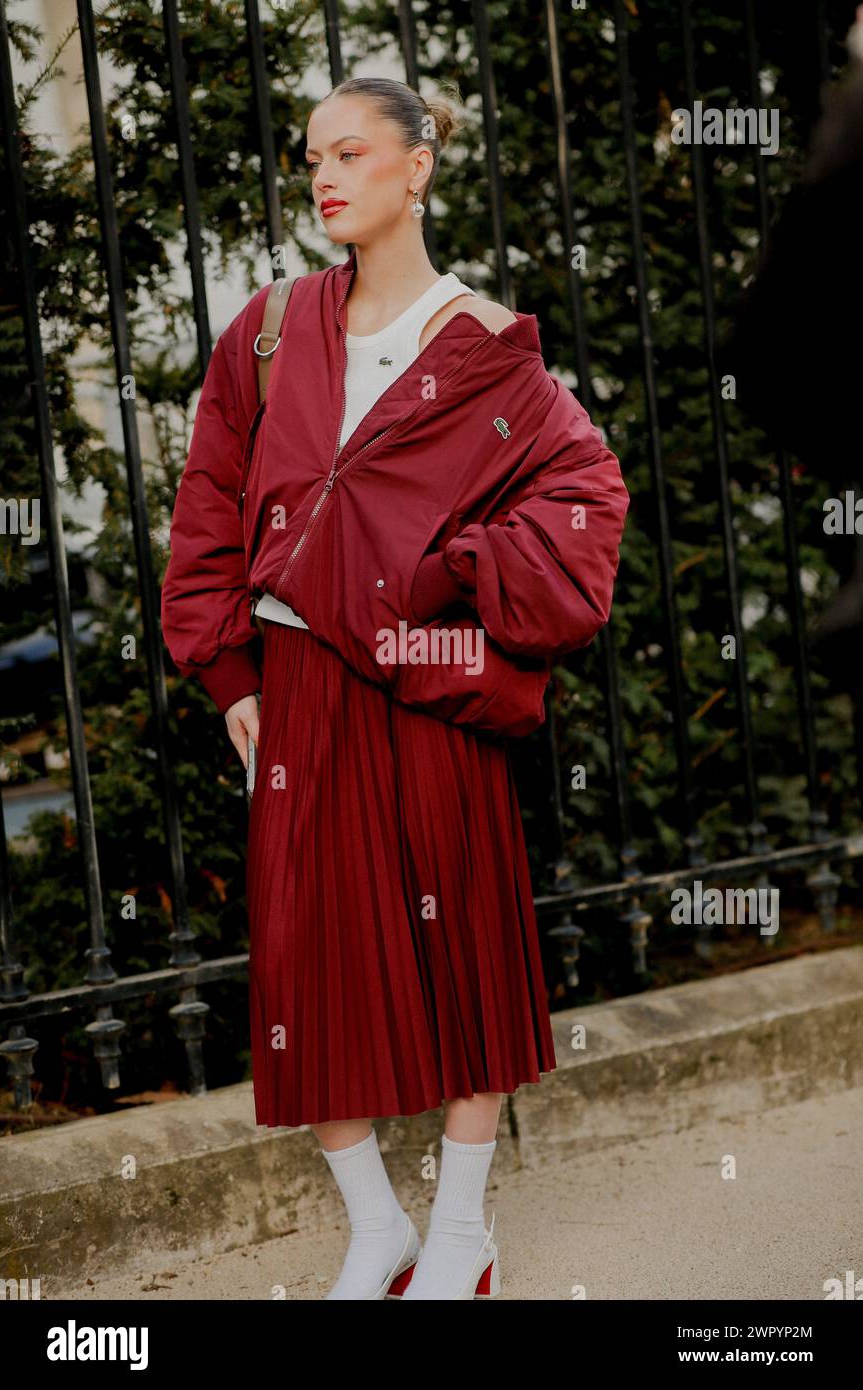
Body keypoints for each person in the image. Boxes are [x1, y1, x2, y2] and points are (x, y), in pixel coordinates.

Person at [161, 76, 629, 1300]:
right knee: (307, 967)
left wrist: (448, 573)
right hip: (298, 688)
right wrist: (223, 672)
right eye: (313, 157)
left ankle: (462, 1231)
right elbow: (209, 505)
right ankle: (378, 1226)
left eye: (352, 151)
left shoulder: (487, 350)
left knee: (464, 945)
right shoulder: (267, 328)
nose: (325, 175)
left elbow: (583, 512)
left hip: (429, 684)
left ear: (416, 166)